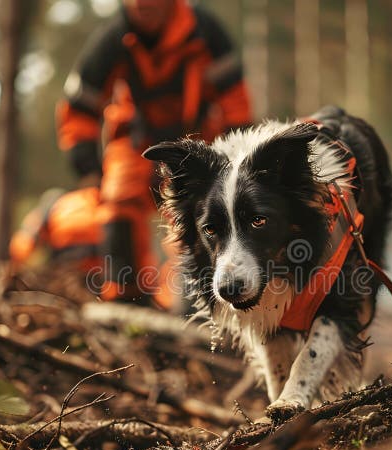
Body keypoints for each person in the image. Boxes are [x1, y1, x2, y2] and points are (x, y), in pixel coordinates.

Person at [54, 0, 252, 305]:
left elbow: (235, 100)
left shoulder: (204, 32)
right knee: (117, 202)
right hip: (136, 145)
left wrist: (238, 159)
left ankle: (198, 302)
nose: (143, 7)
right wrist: (87, 166)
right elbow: (79, 108)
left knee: (206, 208)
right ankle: (127, 299)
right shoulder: (112, 40)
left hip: (197, 141)